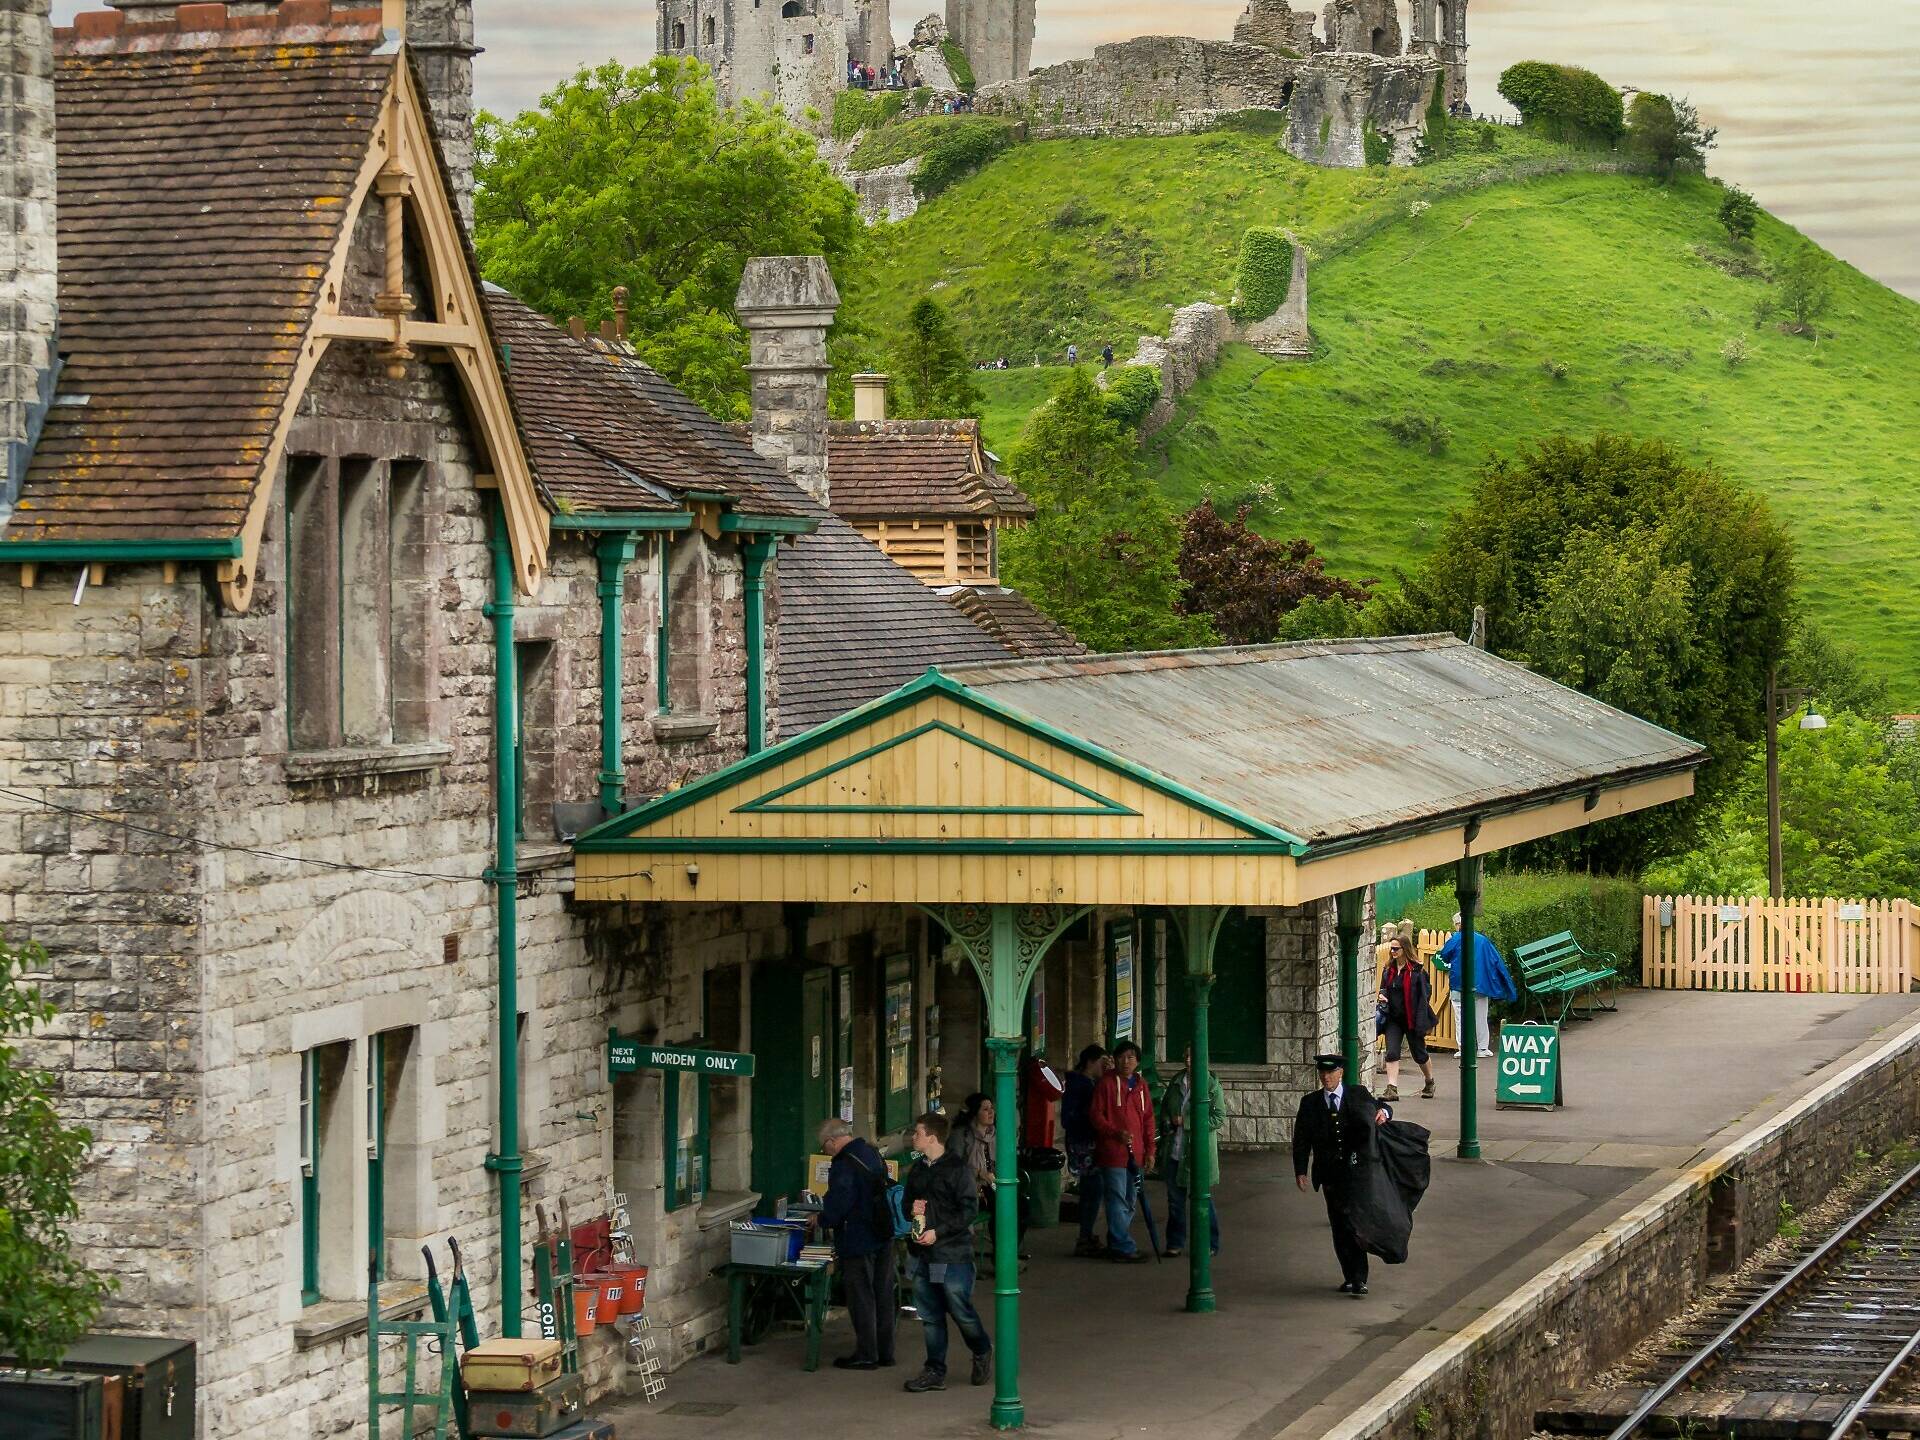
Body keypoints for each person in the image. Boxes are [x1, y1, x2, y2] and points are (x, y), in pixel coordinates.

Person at [901, 1111, 992, 1393]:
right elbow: (906, 1206)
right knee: (930, 1315)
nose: (912, 1138)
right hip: (922, 1252)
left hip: (952, 1254)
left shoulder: (958, 1169)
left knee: (959, 1309)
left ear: (931, 1137)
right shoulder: (917, 1170)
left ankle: (981, 1349)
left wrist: (938, 1232)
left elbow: (969, 1211)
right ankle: (934, 1370)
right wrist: (912, 1211)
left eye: (917, 1133)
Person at [1292, 1054, 1391, 1295]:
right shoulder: (1310, 1103)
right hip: (1329, 1175)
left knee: (1354, 1222)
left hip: (1356, 1172)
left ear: (1341, 1073)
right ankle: (1350, 1276)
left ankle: (1359, 1277)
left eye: (1331, 1072)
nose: (1326, 1077)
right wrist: (1300, 1171)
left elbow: (1383, 1107)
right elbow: (1301, 1140)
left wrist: (1384, 1114)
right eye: (1322, 1073)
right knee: (1339, 1225)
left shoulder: (1357, 1094)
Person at [817, 1118, 896, 1371]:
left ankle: (866, 1353)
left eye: (824, 1147)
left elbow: (839, 1204)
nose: (825, 1152)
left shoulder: (843, 1164)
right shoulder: (871, 1151)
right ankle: (885, 1351)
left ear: (831, 1141)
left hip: (858, 1237)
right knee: (883, 1293)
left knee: (861, 1295)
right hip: (882, 1231)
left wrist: (821, 1219)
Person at [1090, 1038, 1156, 1263]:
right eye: (1121, 1057)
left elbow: (1147, 1119)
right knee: (1117, 1198)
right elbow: (1096, 1115)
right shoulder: (1106, 1084)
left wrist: (1150, 1150)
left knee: (1130, 1199)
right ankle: (1122, 1245)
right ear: (1114, 1059)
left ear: (1137, 1061)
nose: (1126, 1061)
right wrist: (1114, 1132)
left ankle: (1117, 1238)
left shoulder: (1140, 1085)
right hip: (1113, 1153)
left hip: (1136, 1153)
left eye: (1130, 1057)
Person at [1158, 1044, 1223, 1258]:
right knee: (1175, 1201)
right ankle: (1175, 1242)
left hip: (1197, 1154)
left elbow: (1218, 1118)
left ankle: (1209, 1242)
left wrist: (1186, 1121)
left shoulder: (1211, 1084)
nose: (1188, 1060)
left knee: (1201, 1199)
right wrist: (1167, 1121)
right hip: (1175, 1149)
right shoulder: (1177, 1082)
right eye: (1186, 1056)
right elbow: (1166, 1108)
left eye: (1193, 1057)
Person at [1439, 915, 1518, 1058]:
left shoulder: (1456, 939)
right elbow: (1496, 961)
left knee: (1460, 1018)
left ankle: (1464, 1049)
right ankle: (1482, 1048)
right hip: (1480, 984)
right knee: (1480, 1016)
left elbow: (1444, 955)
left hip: (1459, 984)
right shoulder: (1482, 940)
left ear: (1458, 924)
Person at [1062, 1044, 1110, 1257]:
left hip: (1086, 1142)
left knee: (1093, 1190)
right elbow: (1070, 1118)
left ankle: (1087, 1233)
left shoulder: (1088, 1083)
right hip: (1084, 1143)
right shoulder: (1080, 1085)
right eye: (1102, 1062)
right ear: (1091, 1062)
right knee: (1093, 1188)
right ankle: (1085, 1235)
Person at [1377, 933, 1437, 1101]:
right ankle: (1392, 1088)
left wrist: (1422, 1019)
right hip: (1393, 1019)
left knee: (1419, 1054)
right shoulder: (1388, 970)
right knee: (1392, 1052)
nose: (1393, 951)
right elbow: (1383, 989)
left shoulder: (1417, 971)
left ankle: (1429, 1081)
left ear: (1405, 949)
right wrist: (1382, 997)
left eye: (1396, 948)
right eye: (1391, 948)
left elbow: (1425, 995)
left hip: (1412, 1019)